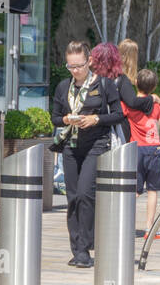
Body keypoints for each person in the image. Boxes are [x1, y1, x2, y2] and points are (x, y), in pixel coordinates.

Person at [52, 41, 126, 268]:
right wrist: (66, 119)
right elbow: (55, 117)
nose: (75, 70)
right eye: (71, 66)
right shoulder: (63, 87)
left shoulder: (104, 85)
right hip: (71, 146)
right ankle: (78, 250)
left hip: (96, 143)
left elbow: (119, 114)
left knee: (85, 194)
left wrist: (96, 119)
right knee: (72, 198)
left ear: (90, 62)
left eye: (79, 66)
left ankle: (86, 245)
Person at [127, 68, 160, 236]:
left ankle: (123, 223)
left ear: (136, 83)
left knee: (135, 190)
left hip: (136, 150)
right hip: (154, 150)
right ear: (154, 87)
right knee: (152, 190)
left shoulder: (129, 104)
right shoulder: (157, 107)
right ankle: (149, 227)